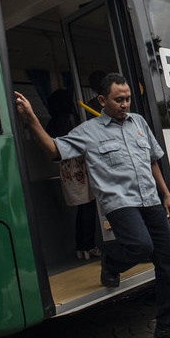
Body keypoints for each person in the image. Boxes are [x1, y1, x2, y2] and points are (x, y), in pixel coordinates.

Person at [14, 73, 170, 338]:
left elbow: (152, 160)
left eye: (127, 99)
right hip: (120, 203)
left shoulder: (140, 123)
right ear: (102, 100)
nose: (125, 104)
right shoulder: (88, 132)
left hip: (151, 198)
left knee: (168, 259)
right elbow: (54, 150)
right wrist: (32, 121)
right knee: (141, 246)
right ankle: (111, 260)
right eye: (118, 99)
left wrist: (166, 195)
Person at [43, 89, 100, 260]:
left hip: (67, 170)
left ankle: (81, 247)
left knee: (81, 209)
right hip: (80, 167)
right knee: (88, 208)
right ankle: (89, 247)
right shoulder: (70, 120)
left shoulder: (53, 123)